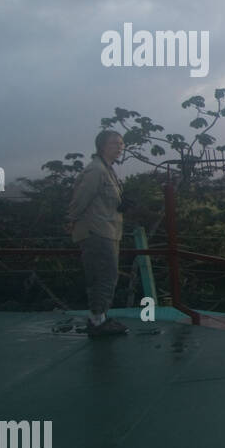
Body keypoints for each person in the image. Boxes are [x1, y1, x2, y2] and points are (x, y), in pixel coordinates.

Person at [65, 131, 129, 336]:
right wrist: (71, 221)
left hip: (107, 230)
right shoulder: (96, 171)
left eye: (121, 143)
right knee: (103, 275)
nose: (119, 147)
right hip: (96, 231)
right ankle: (98, 322)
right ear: (101, 146)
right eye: (114, 143)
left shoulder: (107, 170)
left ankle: (100, 318)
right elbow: (80, 200)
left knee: (107, 275)